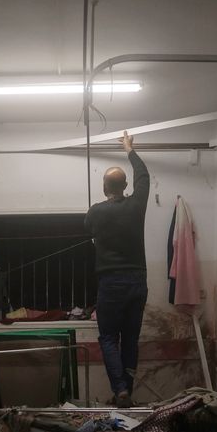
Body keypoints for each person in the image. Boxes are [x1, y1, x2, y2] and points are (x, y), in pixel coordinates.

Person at [84, 131, 149, 409]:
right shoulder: (137, 205)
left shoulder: (96, 212)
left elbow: (88, 230)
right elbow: (143, 176)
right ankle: (126, 392)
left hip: (111, 283)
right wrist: (129, 149)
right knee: (130, 339)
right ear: (125, 185)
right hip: (137, 281)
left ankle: (121, 389)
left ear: (104, 186)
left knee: (109, 337)